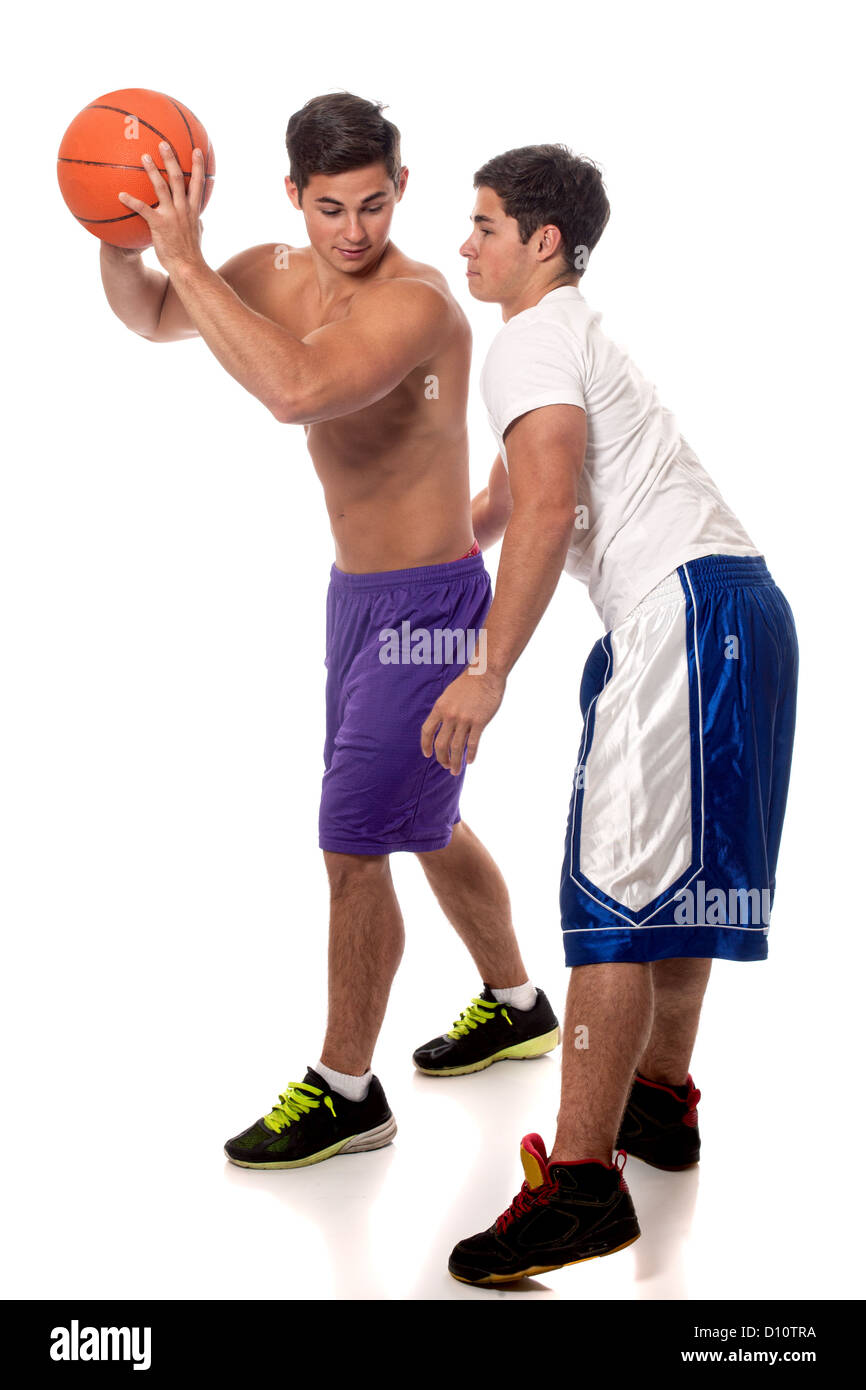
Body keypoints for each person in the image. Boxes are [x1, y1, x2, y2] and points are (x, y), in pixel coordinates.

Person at [99, 94, 560, 1169]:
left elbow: (294, 390)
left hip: (425, 615)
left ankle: (345, 1088)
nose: (351, 230)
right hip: (354, 601)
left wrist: (191, 260)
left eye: (371, 202)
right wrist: (123, 241)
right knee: (422, 817)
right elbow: (154, 313)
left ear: (401, 185)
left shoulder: (416, 301)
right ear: (292, 200)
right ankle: (517, 1002)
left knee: (352, 843)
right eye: (327, 208)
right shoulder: (271, 268)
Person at [419, 144, 798, 1284]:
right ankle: (658, 1103)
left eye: (482, 225)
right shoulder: (573, 339)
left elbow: (542, 506)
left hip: (677, 616)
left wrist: (486, 667)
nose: (463, 245)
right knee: (678, 886)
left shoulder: (527, 337)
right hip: (741, 605)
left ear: (543, 242)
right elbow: (507, 497)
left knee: (614, 899)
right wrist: (433, 551)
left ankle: (580, 1187)